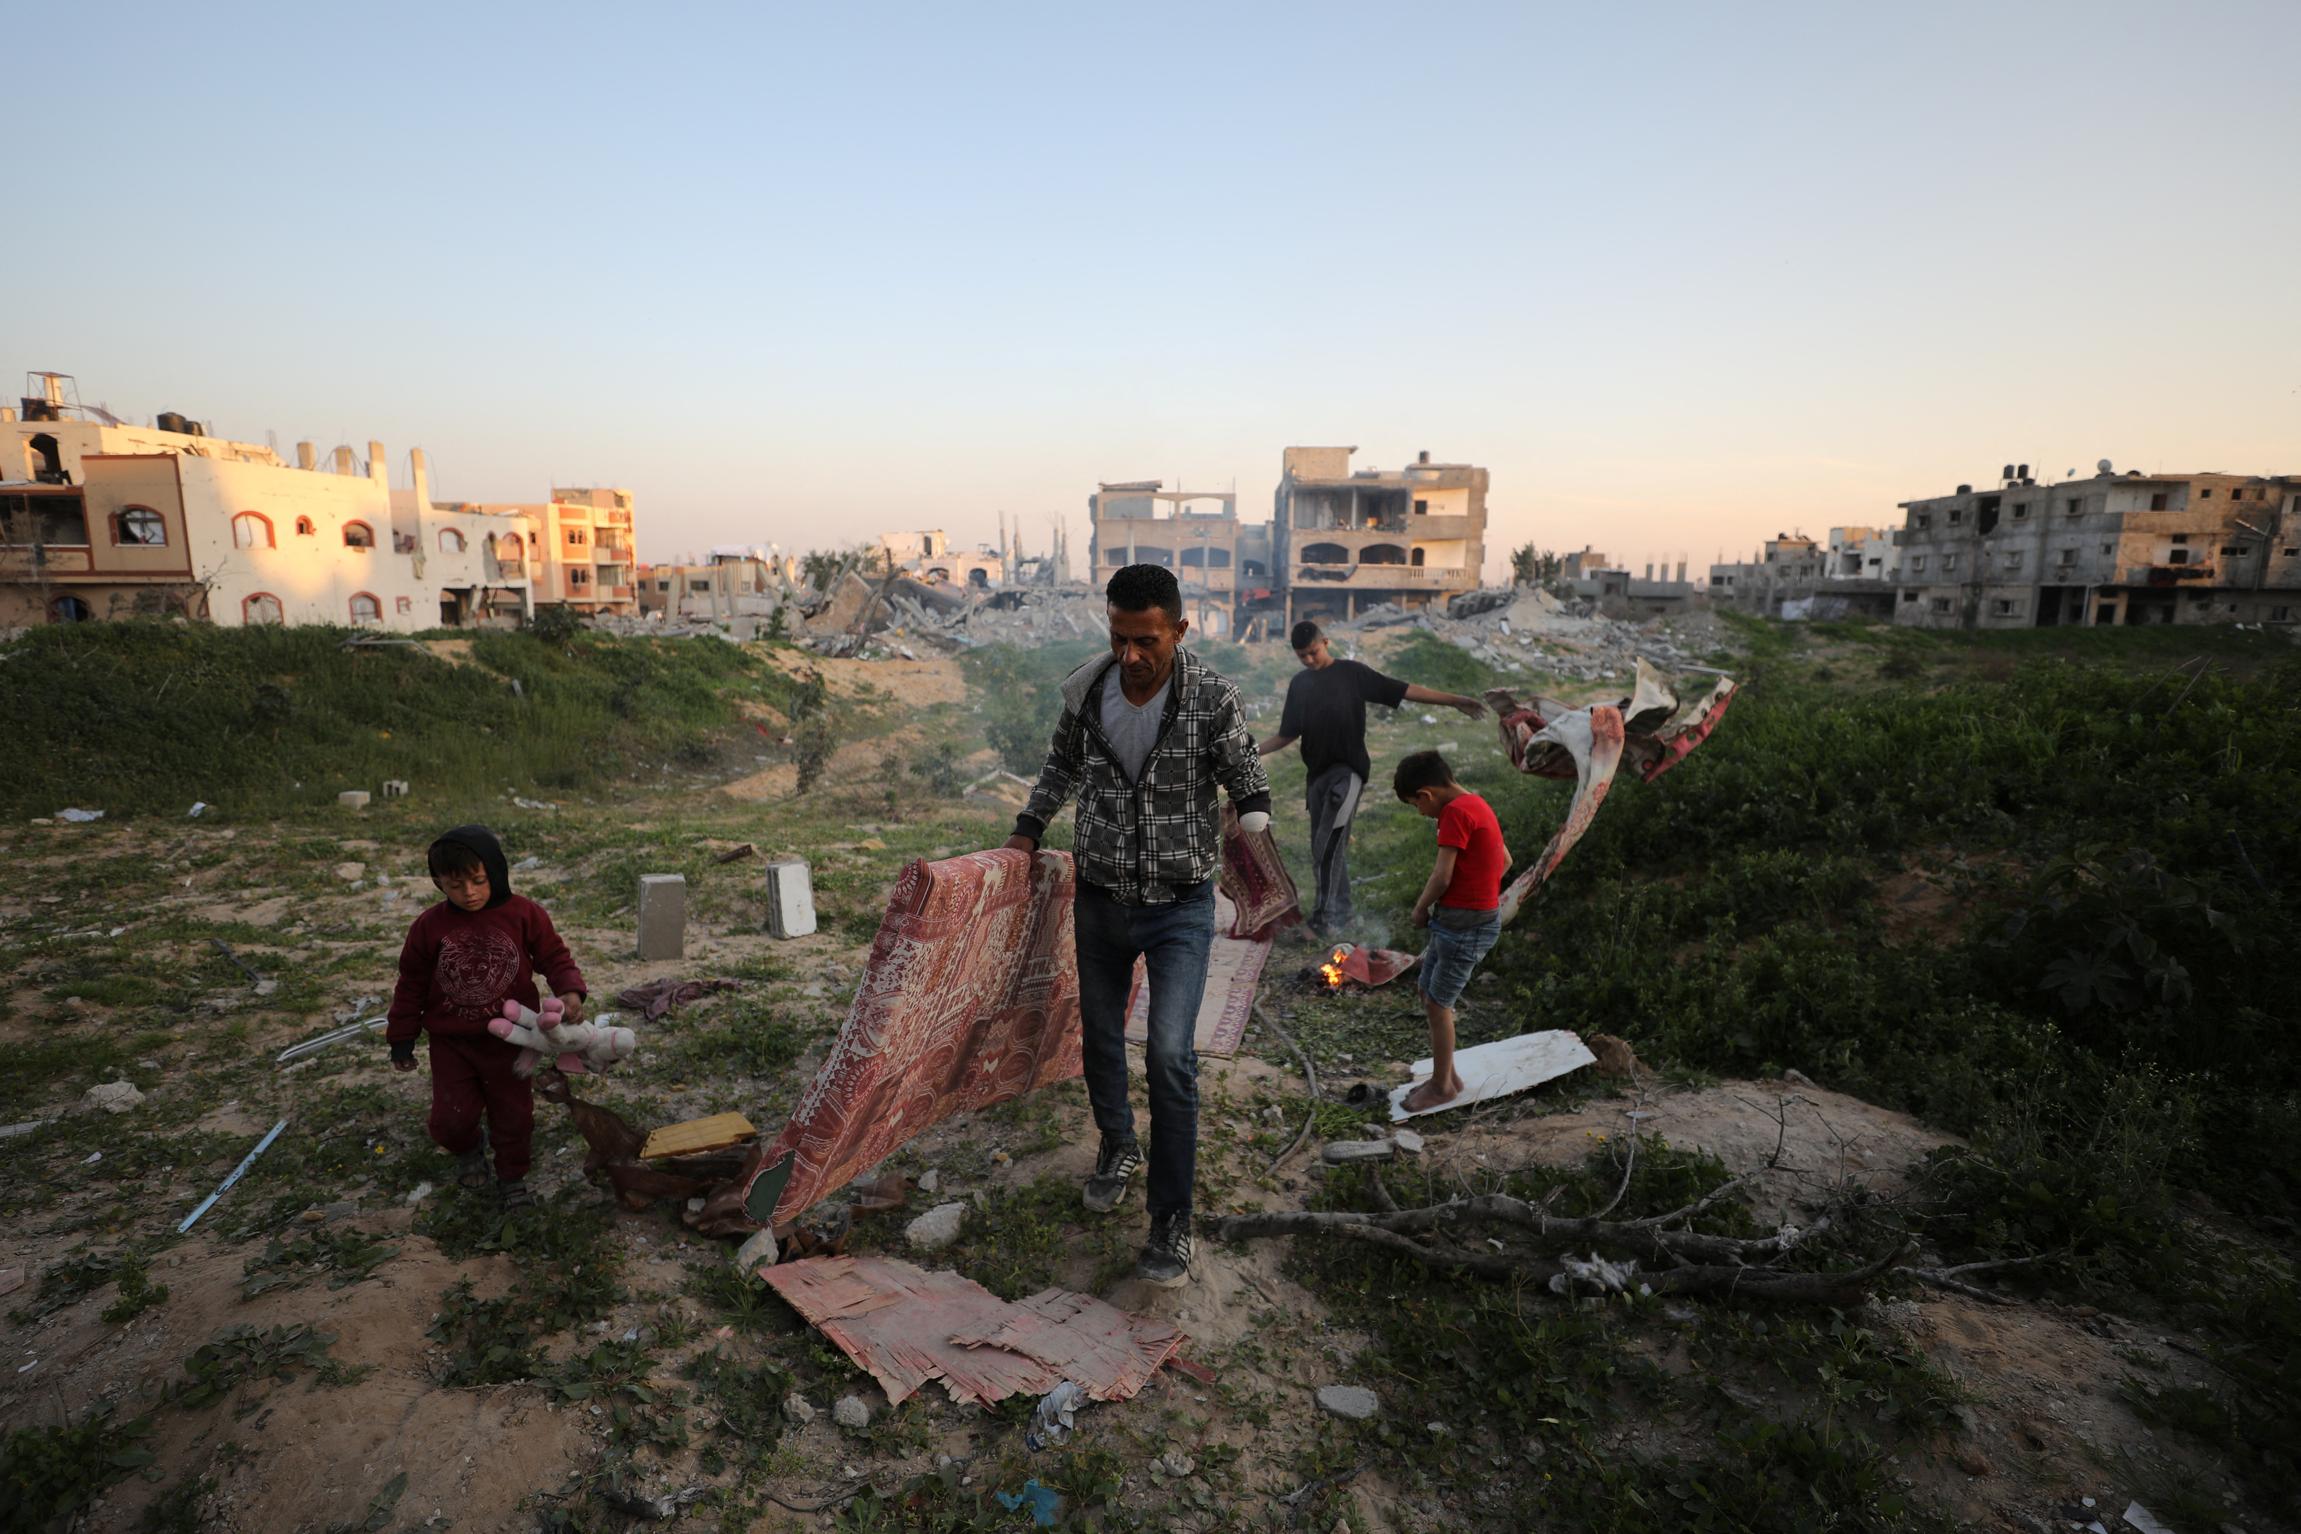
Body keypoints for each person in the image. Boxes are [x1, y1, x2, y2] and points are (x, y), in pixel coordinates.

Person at [1004, 564, 1271, 1287]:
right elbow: (1059, 766)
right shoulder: (1088, 691)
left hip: (1179, 907)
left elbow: (1242, 767)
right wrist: (1027, 830)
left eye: (1145, 639)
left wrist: (1254, 815)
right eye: (1119, 637)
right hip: (1098, 900)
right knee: (1097, 1037)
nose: (1130, 654)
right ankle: (1117, 1145)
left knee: (1169, 1057)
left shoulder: (1210, 696)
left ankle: (1170, 1219)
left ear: (1179, 630)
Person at [386, 825, 587, 1210]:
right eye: (456, 884)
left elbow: (555, 957)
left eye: (479, 881)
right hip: (453, 1043)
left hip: (513, 1039)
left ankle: (512, 1177)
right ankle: (469, 1147)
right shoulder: (429, 928)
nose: (470, 893)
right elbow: (410, 984)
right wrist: (402, 1036)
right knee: (450, 1120)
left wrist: (570, 991)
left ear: (495, 871)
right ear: (438, 882)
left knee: (513, 1116)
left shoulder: (524, 914)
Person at [1256, 620, 1487, 935]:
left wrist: (1455, 700)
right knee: (1325, 849)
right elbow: (1286, 734)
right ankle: (1344, 915)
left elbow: (1404, 690)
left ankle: (1325, 921)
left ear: (1325, 642)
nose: (1309, 660)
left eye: (1312, 652)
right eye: (1302, 657)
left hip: (1348, 774)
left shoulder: (1353, 674)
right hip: (1317, 779)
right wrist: (1252, 751)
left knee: (1328, 848)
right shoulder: (1300, 685)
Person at [1394, 749, 1507, 1112]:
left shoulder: (1454, 813)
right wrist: (1478, 891)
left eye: (1416, 805)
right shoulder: (1475, 802)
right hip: (1457, 924)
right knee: (1428, 993)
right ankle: (1449, 1075)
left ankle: (1443, 1088)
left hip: (1466, 929)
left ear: (1426, 794)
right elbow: (1505, 860)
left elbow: (1441, 876)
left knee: (1440, 1005)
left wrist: (1419, 907)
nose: (1420, 812)